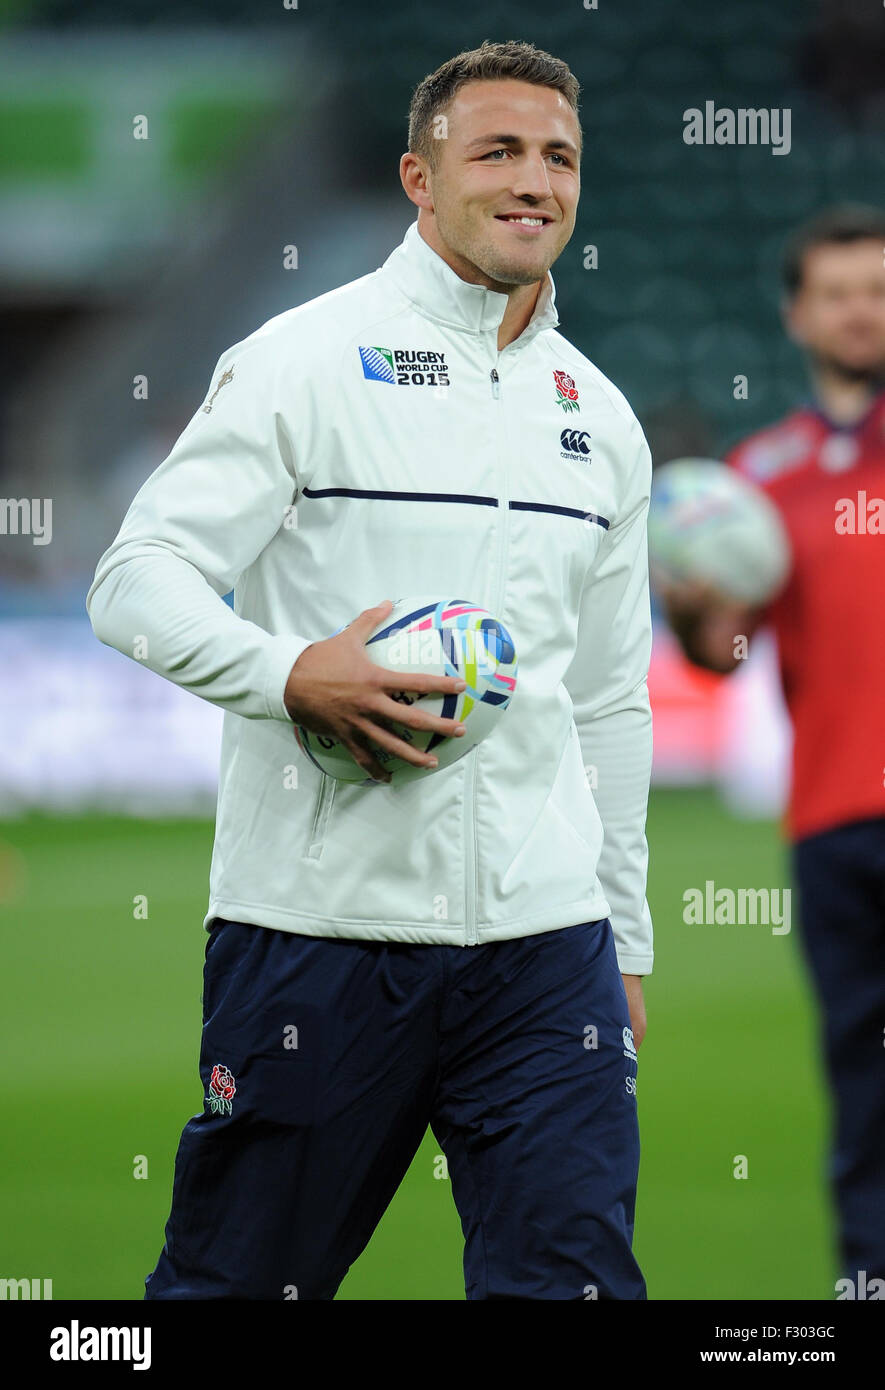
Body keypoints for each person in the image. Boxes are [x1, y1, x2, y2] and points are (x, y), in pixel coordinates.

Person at [87, 40, 654, 1301]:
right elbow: (137, 579)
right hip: (318, 937)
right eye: (496, 150)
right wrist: (291, 674)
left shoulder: (598, 416)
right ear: (418, 174)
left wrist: (625, 936)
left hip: (546, 947)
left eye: (558, 156)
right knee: (237, 1286)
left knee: (574, 1284)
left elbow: (611, 699)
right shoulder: (302, 359)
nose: (533, 181)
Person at [659, 205, 885, 1292]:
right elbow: (726, 654)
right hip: (837, 817)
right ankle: (868, 1277)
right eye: (838, 291)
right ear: (799, 312)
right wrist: (701, 617)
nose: (860, 309)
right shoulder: (756, 475)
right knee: (864, 1073)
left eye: (877, 289)